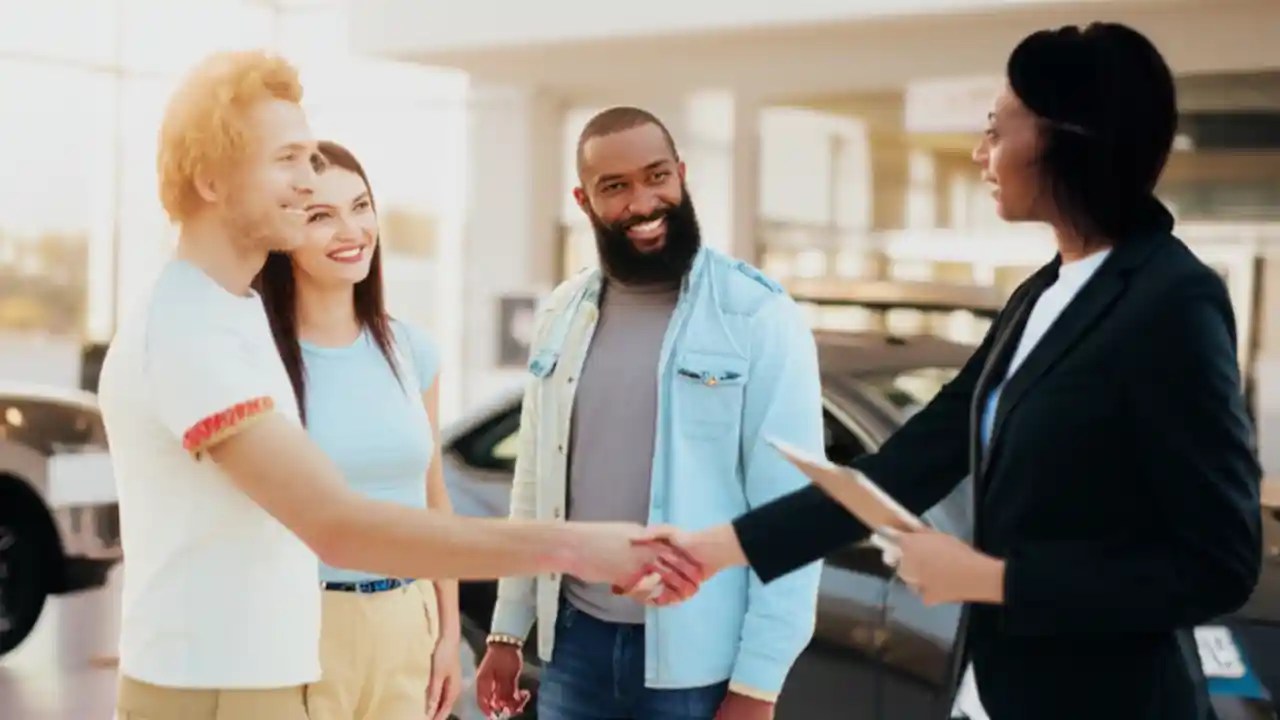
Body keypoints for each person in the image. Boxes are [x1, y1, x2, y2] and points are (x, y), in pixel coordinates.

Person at [634, 22, 1263, 720]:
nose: (979, 152)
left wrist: (996, 579)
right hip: (992, 691)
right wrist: (714, 548)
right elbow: (909, 463)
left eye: (997, 129)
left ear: (1067, 136)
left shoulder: (1171, 300)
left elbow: (1219, 564)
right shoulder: (1040, 295)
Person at [97, 50, 686, 720]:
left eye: (312, 159)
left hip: (262, 675)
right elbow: (339, 526)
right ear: (210, 181)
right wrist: (578, 545)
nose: (309, 178)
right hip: (212, 689)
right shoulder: (190, 331)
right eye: (287, 159)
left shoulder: (233, 316)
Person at [474, 107, 825, 720]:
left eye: (656, 176)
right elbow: (535, 483)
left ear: (683, 176)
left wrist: (758, 686)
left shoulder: (757, 314)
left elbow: (794, 513)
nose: (643, 202)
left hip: (700, 666)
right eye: (616, 187)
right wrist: (508, 630)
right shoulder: (562, 313)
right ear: (584, 201)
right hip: (574, 646)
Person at [251, 140, 461, 720]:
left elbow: (433, 499)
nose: (353, 230)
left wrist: (446, 635)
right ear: (283, 234)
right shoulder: (258, 358)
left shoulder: (412, 350)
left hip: (406, 623)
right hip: (301, 628)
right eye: (322, 216)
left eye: (361, 206)